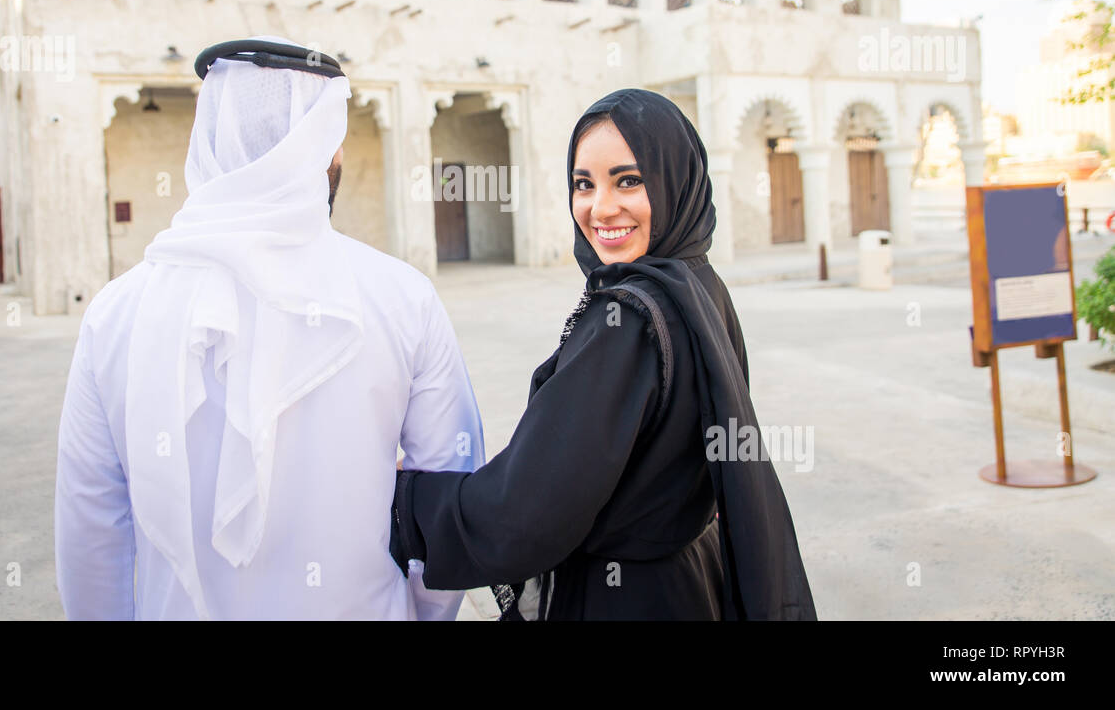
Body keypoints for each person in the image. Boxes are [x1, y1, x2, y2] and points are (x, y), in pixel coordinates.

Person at [55, 36, 485, 620]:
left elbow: (90, 531)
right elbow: (450, 493)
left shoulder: (114, 313)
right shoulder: (402, 296)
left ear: (207, 144)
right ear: (327, 152)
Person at [389, 88, 816, 620]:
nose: (601, 208)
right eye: (583, 184)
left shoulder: (628, 321)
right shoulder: (698, 284)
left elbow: (527, 511)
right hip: (688, 581)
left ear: (672, 180)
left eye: (629, 180)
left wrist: (407, 504)